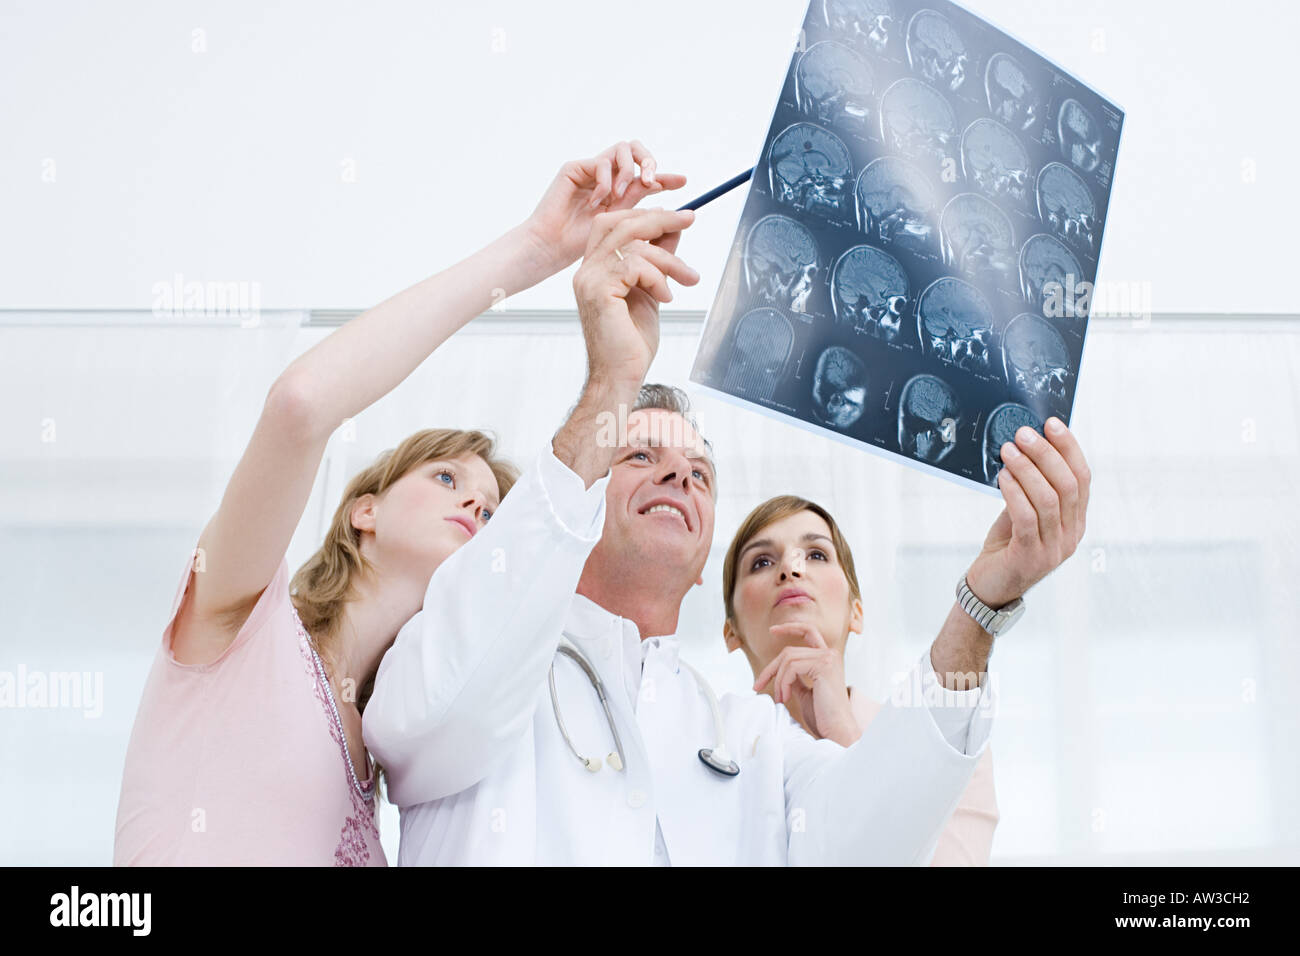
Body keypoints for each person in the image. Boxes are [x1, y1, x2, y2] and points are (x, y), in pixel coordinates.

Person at [363, 200, 1093, 865]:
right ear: (583, 496)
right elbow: (430, 718)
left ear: (703, 561)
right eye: (640, 456)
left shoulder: (749, 735)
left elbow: (873, 838)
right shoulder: (467, 641)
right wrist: (610, 384)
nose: (678, 476)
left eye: (699, 473)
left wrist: (980, 606)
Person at [113, 141, 683, 866]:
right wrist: (534, 250)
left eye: (488, 512)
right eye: (449, 481)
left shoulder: (385, 767)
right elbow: (299, 405)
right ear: (364, 511)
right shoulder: (239, 620)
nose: (475, 510)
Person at [721, 495, 999, 865]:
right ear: (731, 633)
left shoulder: (947, 745)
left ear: (857, 613)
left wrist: (844, 734)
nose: (791, 568)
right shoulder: (710, 754)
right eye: (762, 561)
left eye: (816, 554)